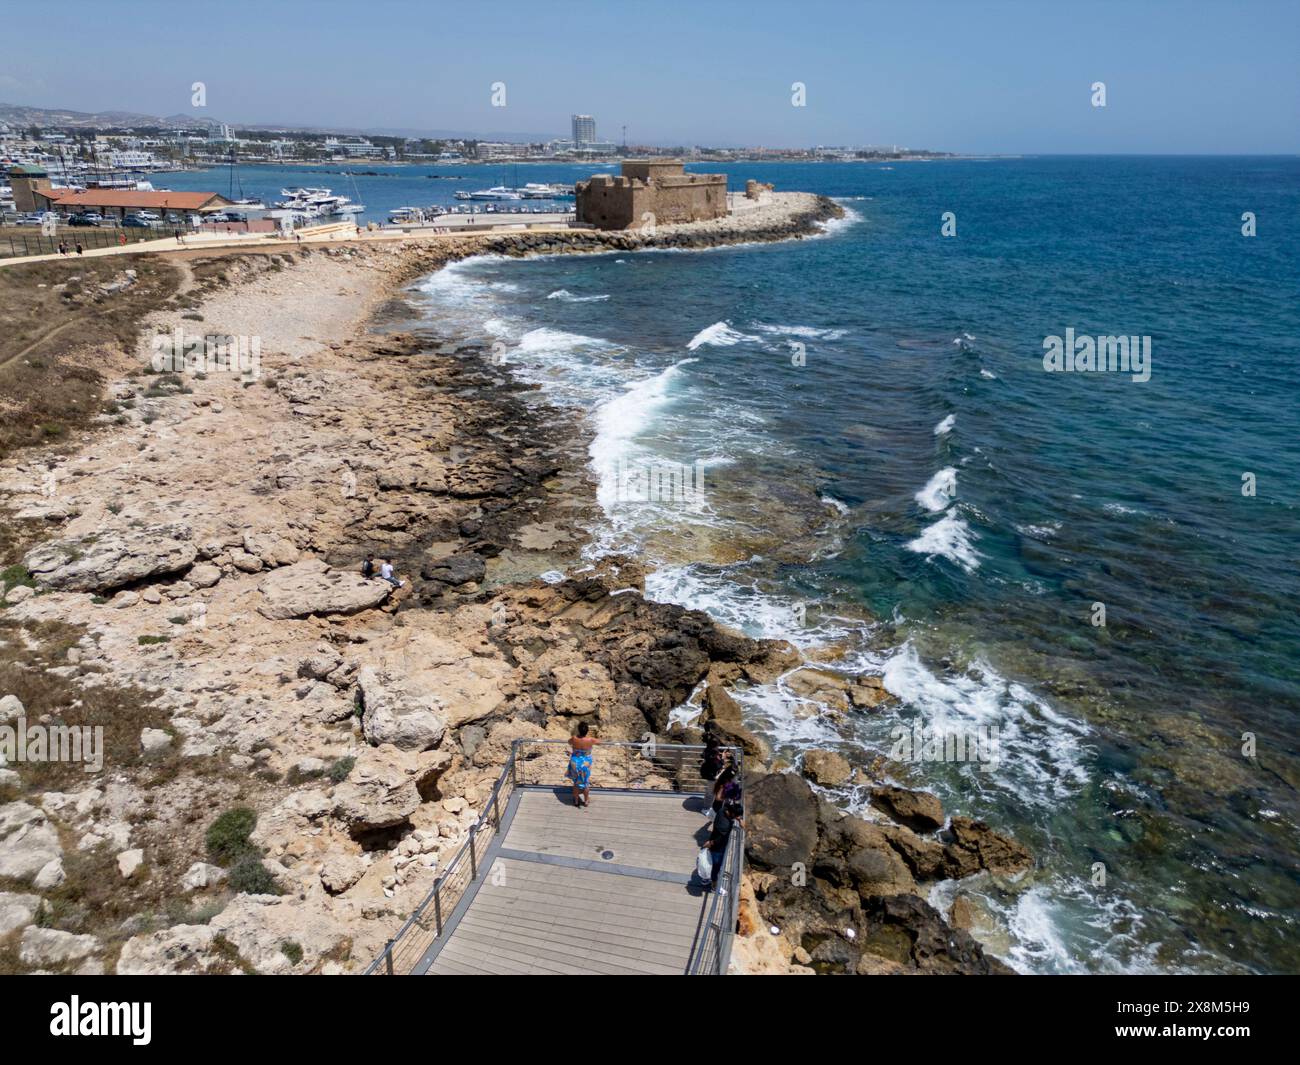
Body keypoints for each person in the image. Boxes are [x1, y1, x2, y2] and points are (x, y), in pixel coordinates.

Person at [704, 797, 743, 890]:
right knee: (716, 866)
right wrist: (711, 843)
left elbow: (731, 813)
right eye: (737, 816)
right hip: (718, 847)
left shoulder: (722, 810)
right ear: (732, 813)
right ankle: (714, 885)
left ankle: (706, 878)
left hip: (713, 840)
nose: (739, 817)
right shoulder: (724, 825)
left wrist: (739, 819)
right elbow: (719, 839)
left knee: (711, 863)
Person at [566, 721, 597, 808]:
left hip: (575, 762)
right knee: (585, 782)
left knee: (576, 782)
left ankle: (576, 801)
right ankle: (586, 801)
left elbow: (569, 742)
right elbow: (599, 742)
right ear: (587, 731)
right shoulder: (590, 740)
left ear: (578, 730)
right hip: (585, 763)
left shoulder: (574, 738)